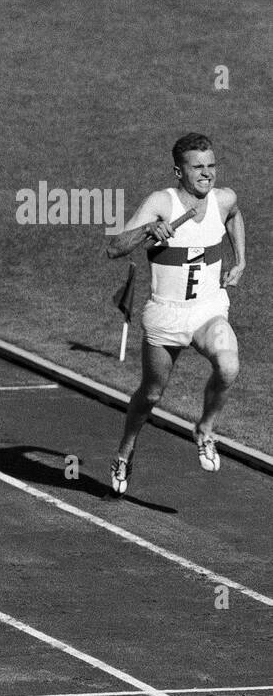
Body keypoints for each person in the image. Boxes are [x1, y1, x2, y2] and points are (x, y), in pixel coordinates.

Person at [105, 133, 245, 494]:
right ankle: (125, 452)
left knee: (228, 366)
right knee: (151, 394)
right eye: (197, 167)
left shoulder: (222, 198)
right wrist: (148, 229)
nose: (207, 173)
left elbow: (234, 214)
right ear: (177, 172)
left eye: (211, 165)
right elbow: (114, 247)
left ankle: (205, 429)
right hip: (167, 315)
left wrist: (240, 260)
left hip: (208, 309)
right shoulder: (161, 203)